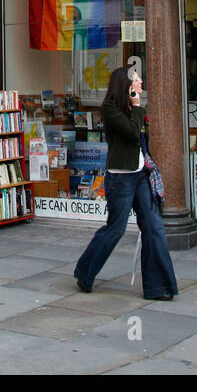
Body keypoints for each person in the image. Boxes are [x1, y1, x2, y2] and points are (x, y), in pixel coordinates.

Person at [73, 66, 178, 300]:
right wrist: (138, 109)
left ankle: (159, 287)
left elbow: (141, 137)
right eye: (137, 80)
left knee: (154, 227)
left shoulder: (133, 108)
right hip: (120, 177)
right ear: (126, 85)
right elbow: (131, 133)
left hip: (141, 175)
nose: (141, 82)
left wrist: (137, 110)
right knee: (116, 229)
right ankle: (84, 272)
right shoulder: (110, 109)